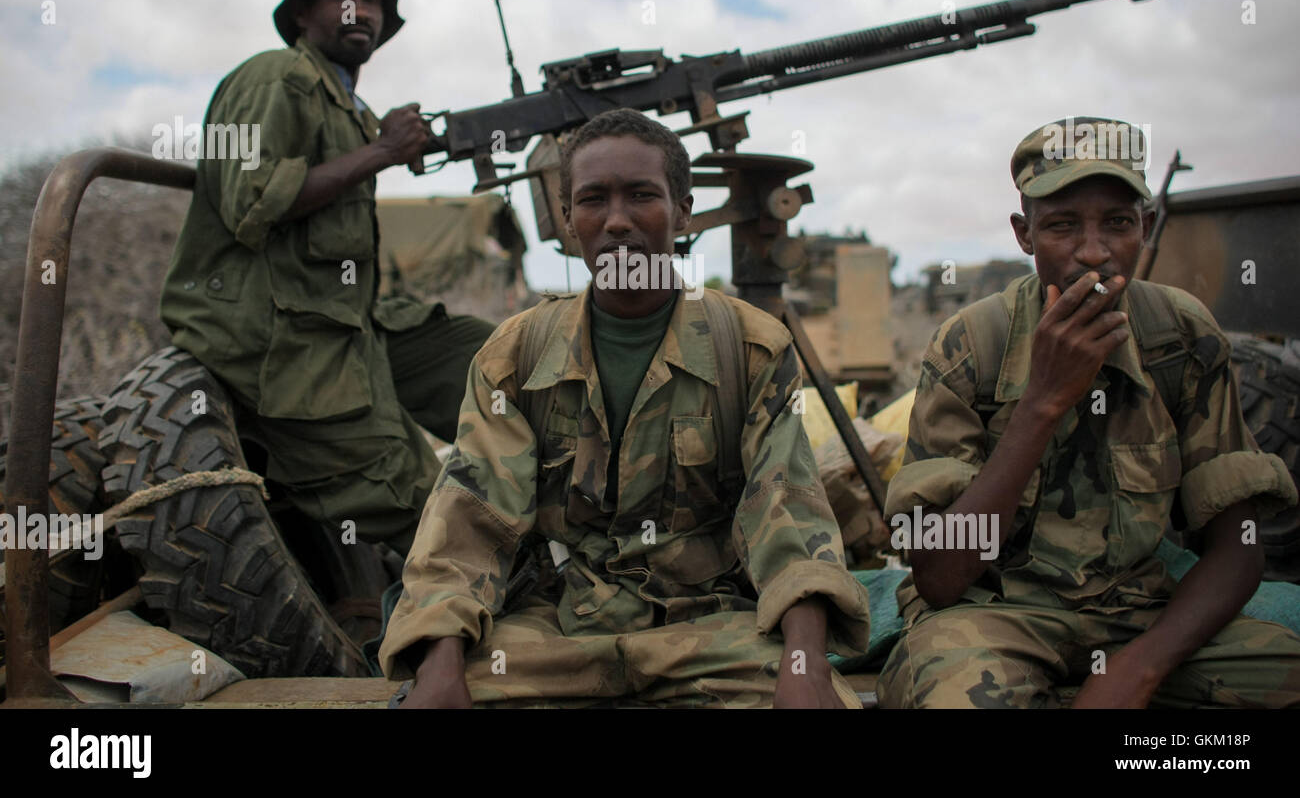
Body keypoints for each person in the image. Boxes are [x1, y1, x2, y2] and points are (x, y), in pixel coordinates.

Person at [378, 108, 870, 707]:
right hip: (557, 626)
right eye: (592, 200)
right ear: (566, 219)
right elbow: (470, 522)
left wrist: (804, 661)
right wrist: (441, 662)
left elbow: (788, 516)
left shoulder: (749, 348)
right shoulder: (515, 355)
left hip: (708, 627)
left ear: (683, 210)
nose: (616, 222)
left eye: (642, 196)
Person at [878, 117, 1300, 708]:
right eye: (1062, 226)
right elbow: (941, 578)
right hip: (996, 619)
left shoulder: (1181, 334)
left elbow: (1239, 544)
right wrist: (1043, 401)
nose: (1094, 252)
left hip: (1143, 615)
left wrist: (1139, 669)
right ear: (1024, 235)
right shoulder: (971, 345)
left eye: (1119, 223)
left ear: (1146, 227)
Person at [160, 0, 495, 554]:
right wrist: (384, 152)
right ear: (300, 15)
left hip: (345, 327)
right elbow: (253, 201)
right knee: (422, 501)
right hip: (277, 344)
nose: (358, 10)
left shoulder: (346, 103)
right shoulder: (276, 76)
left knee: (487, 359)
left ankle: (563, 496)